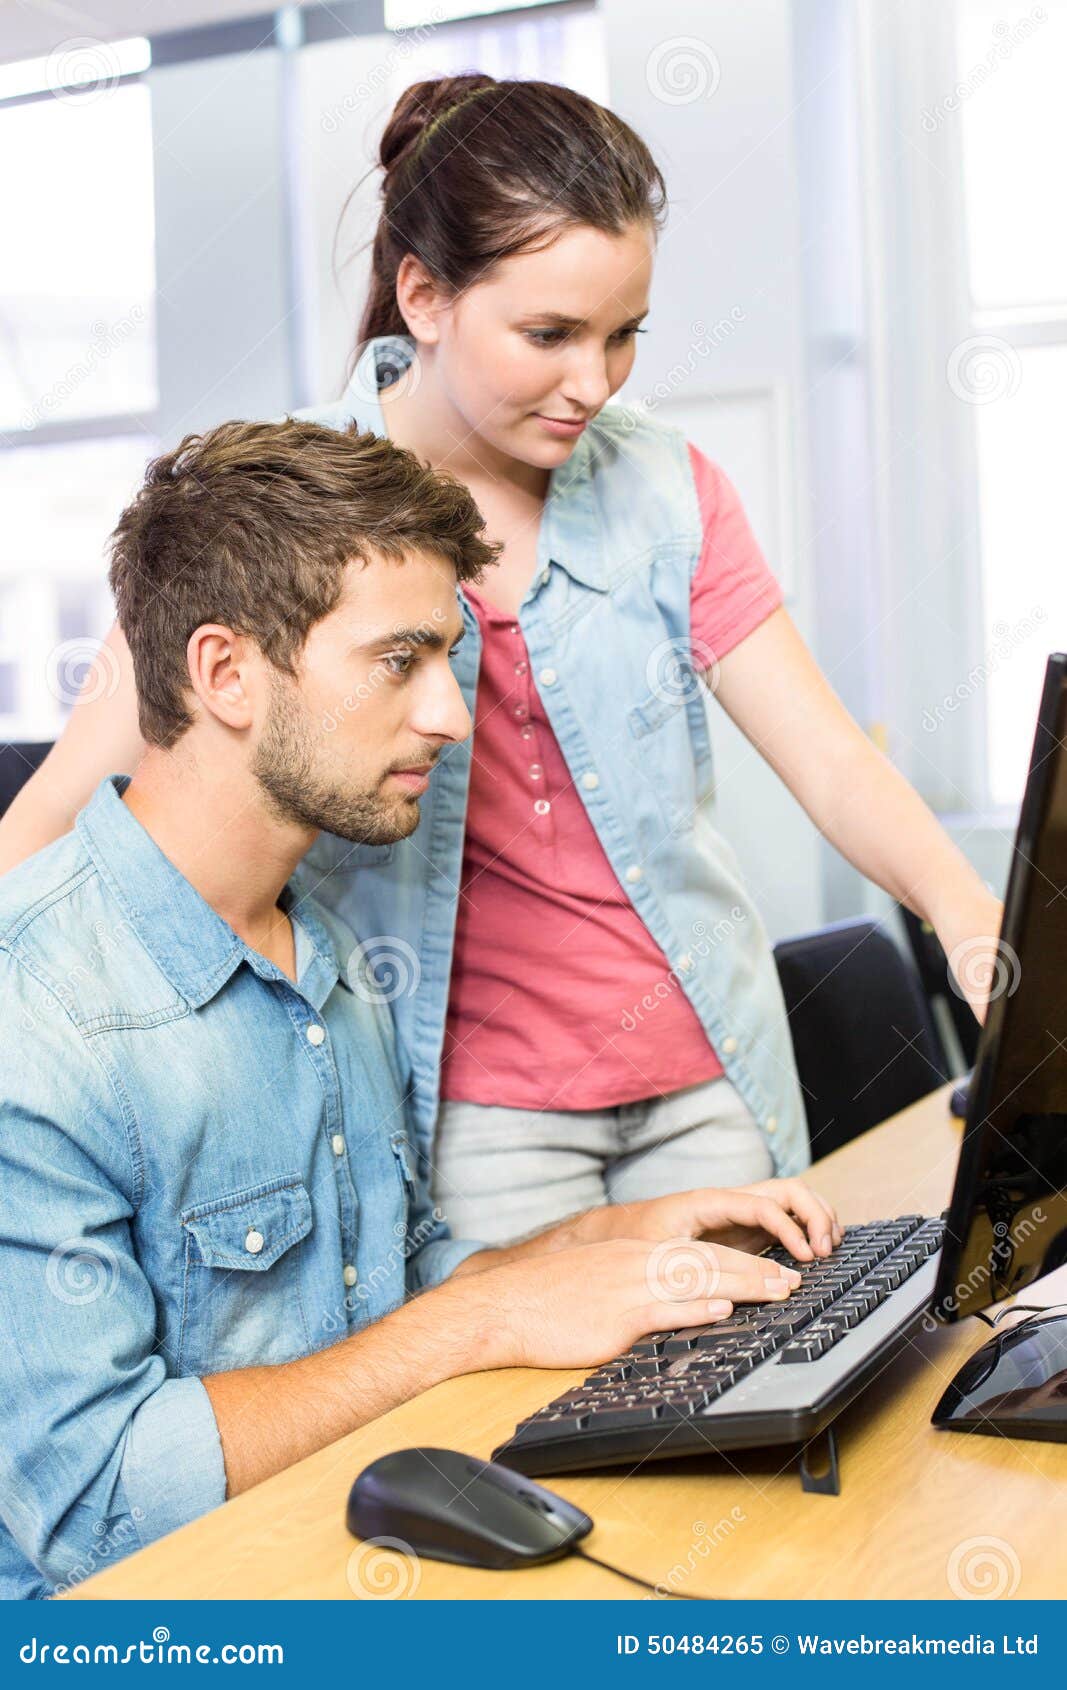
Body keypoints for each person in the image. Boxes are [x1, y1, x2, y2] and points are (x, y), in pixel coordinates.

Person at [0, 75, 1002, 1246]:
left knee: (760, 1394)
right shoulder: (277, 507)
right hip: (470, 1112)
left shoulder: (666, 491)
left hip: (704, 1070)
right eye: (549, 336)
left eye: (623, 334)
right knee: (522, 1420)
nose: (594, 381)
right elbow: (63, 807)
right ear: (421, 296)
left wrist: (963, 909)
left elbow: (829, 759)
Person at [0, 419, 841, 1599]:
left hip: (339, 1560)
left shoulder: (326, 949)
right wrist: (479, 1323)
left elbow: (390, 1279)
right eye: (400, 660)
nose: (451, 716)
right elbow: (93, 1505)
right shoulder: (32, 1017)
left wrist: (603, 1245)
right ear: (225, 671)